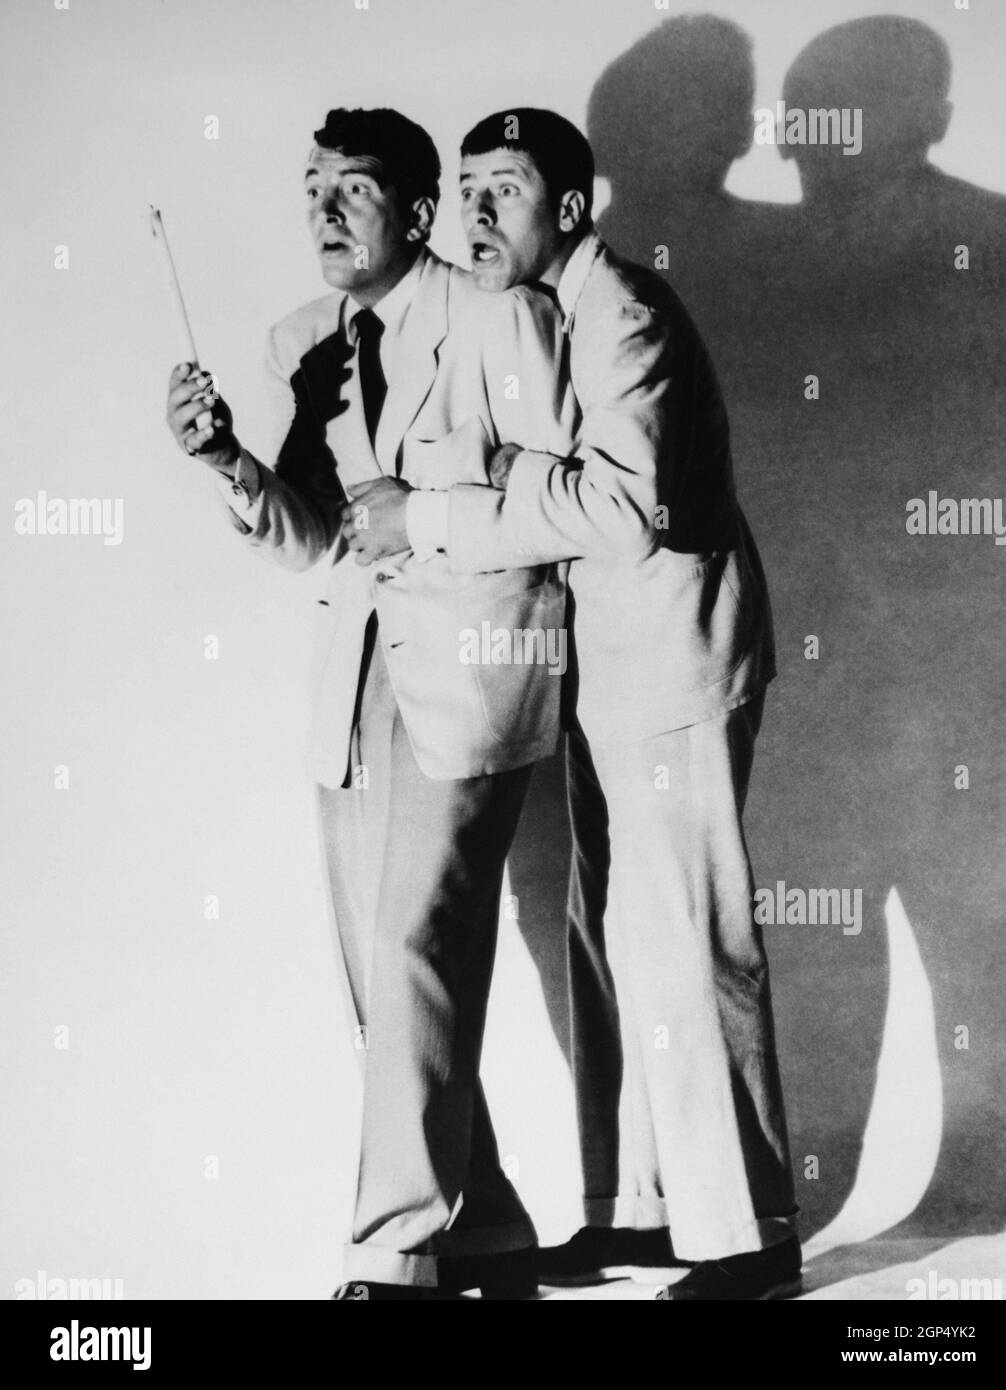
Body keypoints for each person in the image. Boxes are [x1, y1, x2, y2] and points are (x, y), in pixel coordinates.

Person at [353, 108, 801, 1300]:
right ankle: (644, 1209)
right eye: (465, 188)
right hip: (608, 669)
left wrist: (439, 509)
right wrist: (500, 475)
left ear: (569, 206)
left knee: (689, 931)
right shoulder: (555, 314)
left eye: (503, 187)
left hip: (673, 663)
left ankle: (749, 1232)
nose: (474, 211)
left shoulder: (622, 313)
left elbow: (621, 510)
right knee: (611, 932)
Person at [164, 106, 576, 1301]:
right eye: (312, 191)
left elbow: (563, 501)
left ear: (417, 209)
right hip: (354, 683)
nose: (326, 213)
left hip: (476, 670)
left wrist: (426, 512)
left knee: (412, 949)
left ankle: (393, 1258)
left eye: (352, 189)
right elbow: (313, 543)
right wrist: (230, 462)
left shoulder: (502, 316)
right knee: (378, 976)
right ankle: (487, 1230)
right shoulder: (303, 340)